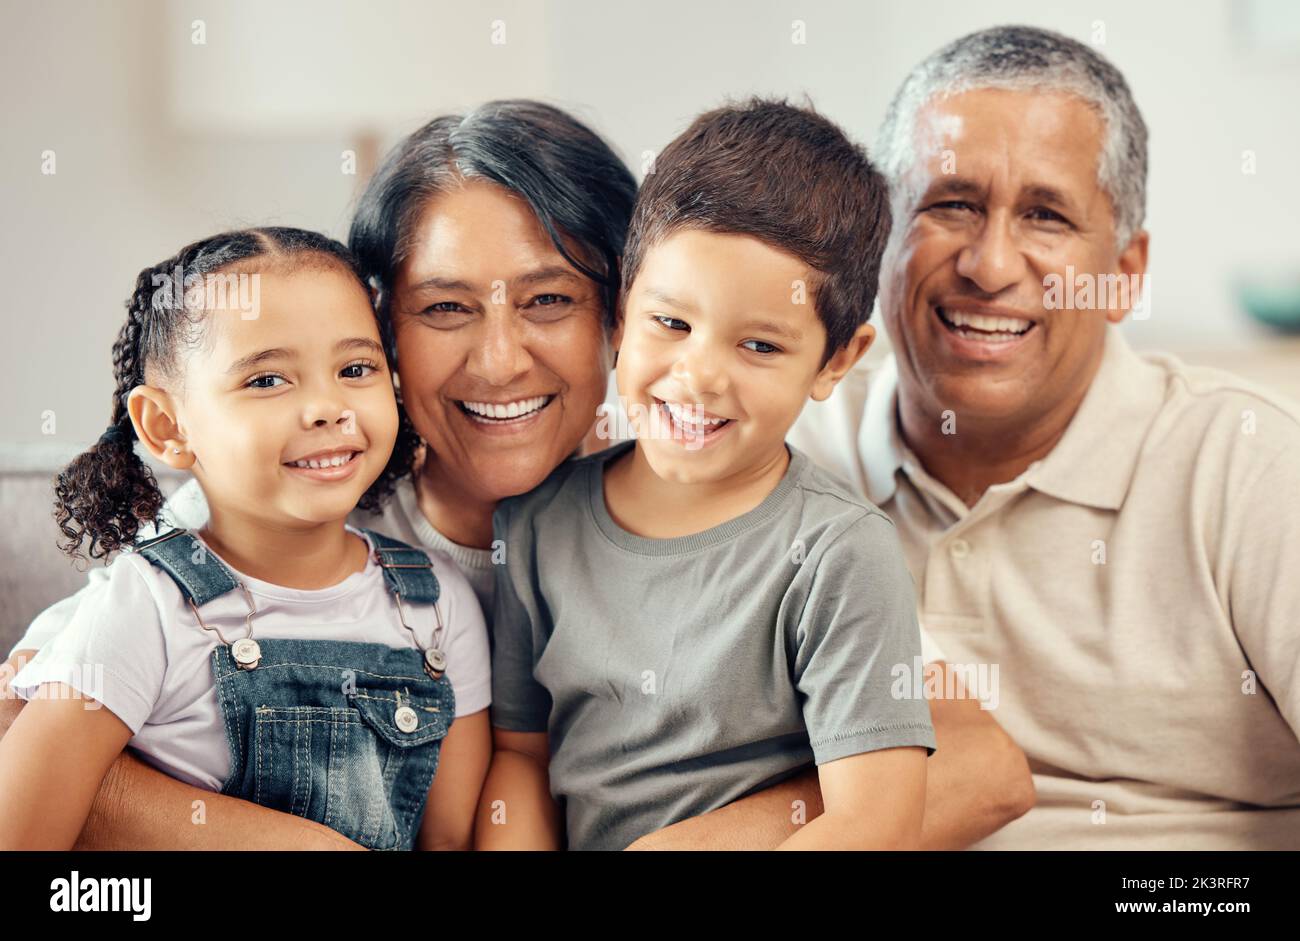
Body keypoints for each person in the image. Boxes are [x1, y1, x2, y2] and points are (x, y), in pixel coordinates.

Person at [1, 100, 1032, 850]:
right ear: (381, 330)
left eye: (549, 301)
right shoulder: (287, 507)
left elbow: (978, 765)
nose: (499, 361)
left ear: (617, 312)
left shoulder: (712, 494)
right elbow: (30, 717)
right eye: (446, 308)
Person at [788, 25, 1300, 848]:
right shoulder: (783, 455)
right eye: (951, 203)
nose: (989, 266)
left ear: (1124, 274)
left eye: (1045, 215)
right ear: (878, 238)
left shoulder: (1250, 467)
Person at [479, 100, 936, 851]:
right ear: (622, 311)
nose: (698, 377)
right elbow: (522, 757)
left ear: (837, 362)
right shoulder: (534, 524)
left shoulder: (838, 554)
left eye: (758, 345)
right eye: (672, 323)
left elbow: (875, 822)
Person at [0, 227, 490, 850]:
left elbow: (446, 841)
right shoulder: (144, 606)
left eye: (355, 368)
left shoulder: (437, 608)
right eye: (266, 381)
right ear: (167, 425)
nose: (327, 406)